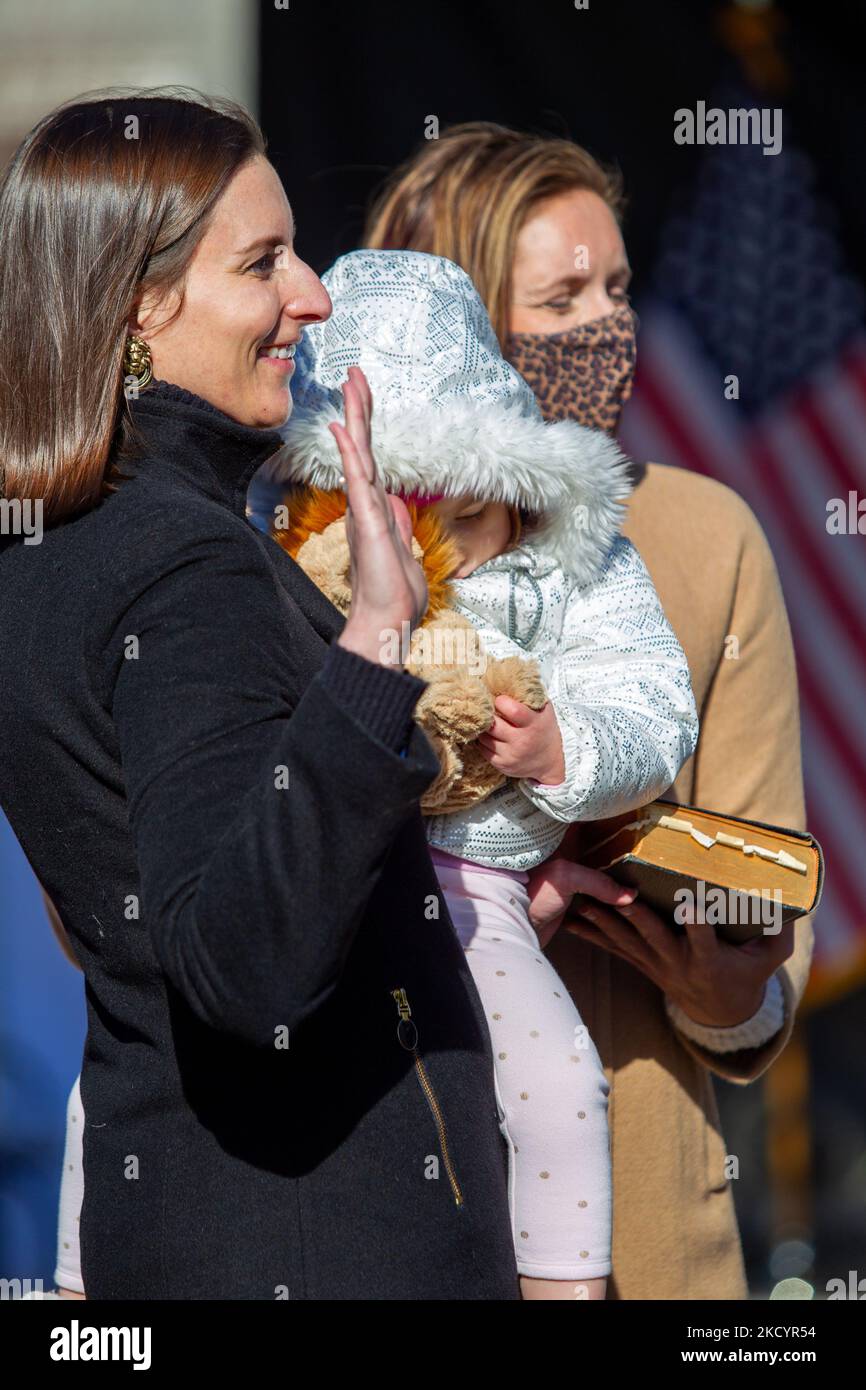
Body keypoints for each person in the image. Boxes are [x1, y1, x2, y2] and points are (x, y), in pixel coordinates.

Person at [1, 89, 538, 1301]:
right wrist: (371, 648)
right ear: (139, 306)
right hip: (311, 1239)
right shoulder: (180, 564)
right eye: (263, 264)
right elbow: (245, 961)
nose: (313, 293)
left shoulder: (53, 545)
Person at [362, 122, 815, 1300]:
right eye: (558, 299)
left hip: (646, 1219)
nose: (603, 328)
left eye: (615, 289)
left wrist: (730, 993)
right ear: (451, 327)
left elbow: (766, 901)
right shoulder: (335, 529)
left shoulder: (703, 533)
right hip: (388, 1186)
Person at [266, 247, 699, 1298]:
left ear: (514, 493)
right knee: (144, 1083)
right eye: (390, 519)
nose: (428, 563)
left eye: (460, 517)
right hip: (300, 876)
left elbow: (652, 699)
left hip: (473, 890)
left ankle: (563, 1286)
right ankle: (81, 1300)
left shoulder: (570, 570)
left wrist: (561, 753)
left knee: (555, 1084)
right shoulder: (275, 571)